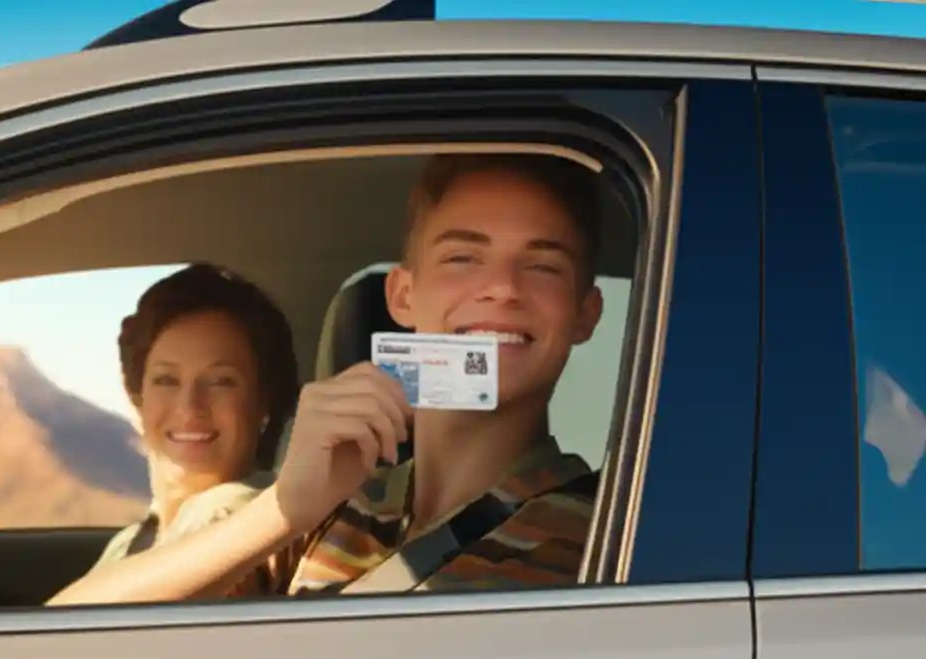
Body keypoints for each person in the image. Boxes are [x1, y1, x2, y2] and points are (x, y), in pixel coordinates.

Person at [46, 153, 605, 605]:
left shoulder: (609, 533)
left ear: (585, 314)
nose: (503, 287)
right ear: (404, 297)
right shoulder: (335, 502)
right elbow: (70, 631)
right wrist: (284, 507)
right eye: (463, 258)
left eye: (542, 266)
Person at [54, 263, 299, 589]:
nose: (189, 406)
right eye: (166, 380)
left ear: (263, 401)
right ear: (138, 396)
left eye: (221, 381)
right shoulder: (138, 536)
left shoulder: (238, 520)